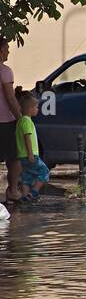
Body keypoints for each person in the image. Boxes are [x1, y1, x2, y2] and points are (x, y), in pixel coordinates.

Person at [14, 90, 48, 203]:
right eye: (36, 107)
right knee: (44, 172)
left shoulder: (20, 121)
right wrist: (30, 154)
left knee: (26, 176)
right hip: (30, 155)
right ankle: (33, 192)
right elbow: (27, 138)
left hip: (21, 156)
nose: (38, 109)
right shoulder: (27, 122)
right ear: (30, 109)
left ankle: (25, 197)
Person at [0, 39, 21, 205]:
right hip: (5, 121)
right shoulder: (5, 71)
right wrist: (20, 117)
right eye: (6, 49)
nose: (8, 52)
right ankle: (13, 190)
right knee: (13, 158)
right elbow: (10, 97)